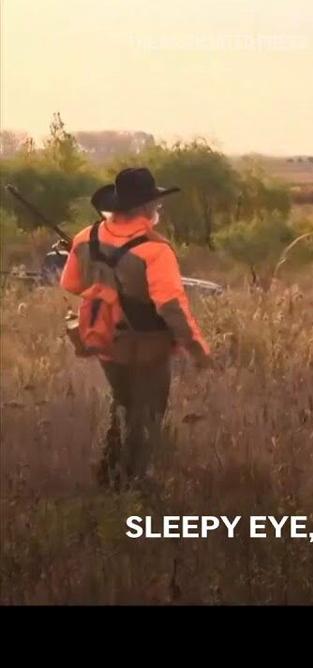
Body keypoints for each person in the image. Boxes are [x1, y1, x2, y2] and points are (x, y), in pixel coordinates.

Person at [60, 167, 213, 489]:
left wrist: (103, 278)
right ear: (146, 209)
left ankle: (109, 476)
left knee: (123, 403)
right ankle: (135, 486)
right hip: (148, 346)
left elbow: (71, 284)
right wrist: (198, 349)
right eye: (155, 205)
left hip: (104, 340)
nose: (157, 210)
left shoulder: (85, 237)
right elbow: (170, 306)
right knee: (146, 417)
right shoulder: (155, 249)